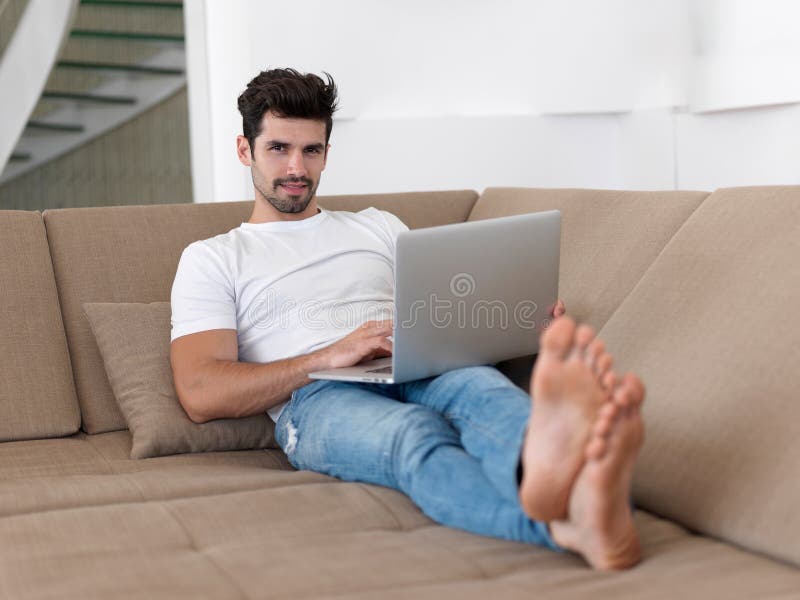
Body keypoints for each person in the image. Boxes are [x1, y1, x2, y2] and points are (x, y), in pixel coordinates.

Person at [170, 68, 646, 570]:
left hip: (416, 363)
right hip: (315, 398)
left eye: (311, 151)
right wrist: (328, 357)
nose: (296, 167)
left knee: (484, 392)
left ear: (327, 154)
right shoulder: (214, 257)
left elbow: (438, 309)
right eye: (278, 149)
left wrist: (516, 322)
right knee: (412, 435)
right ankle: (570, 518)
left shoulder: (378, 227)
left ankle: (560, 476)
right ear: (245, 150)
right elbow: (201, 393)